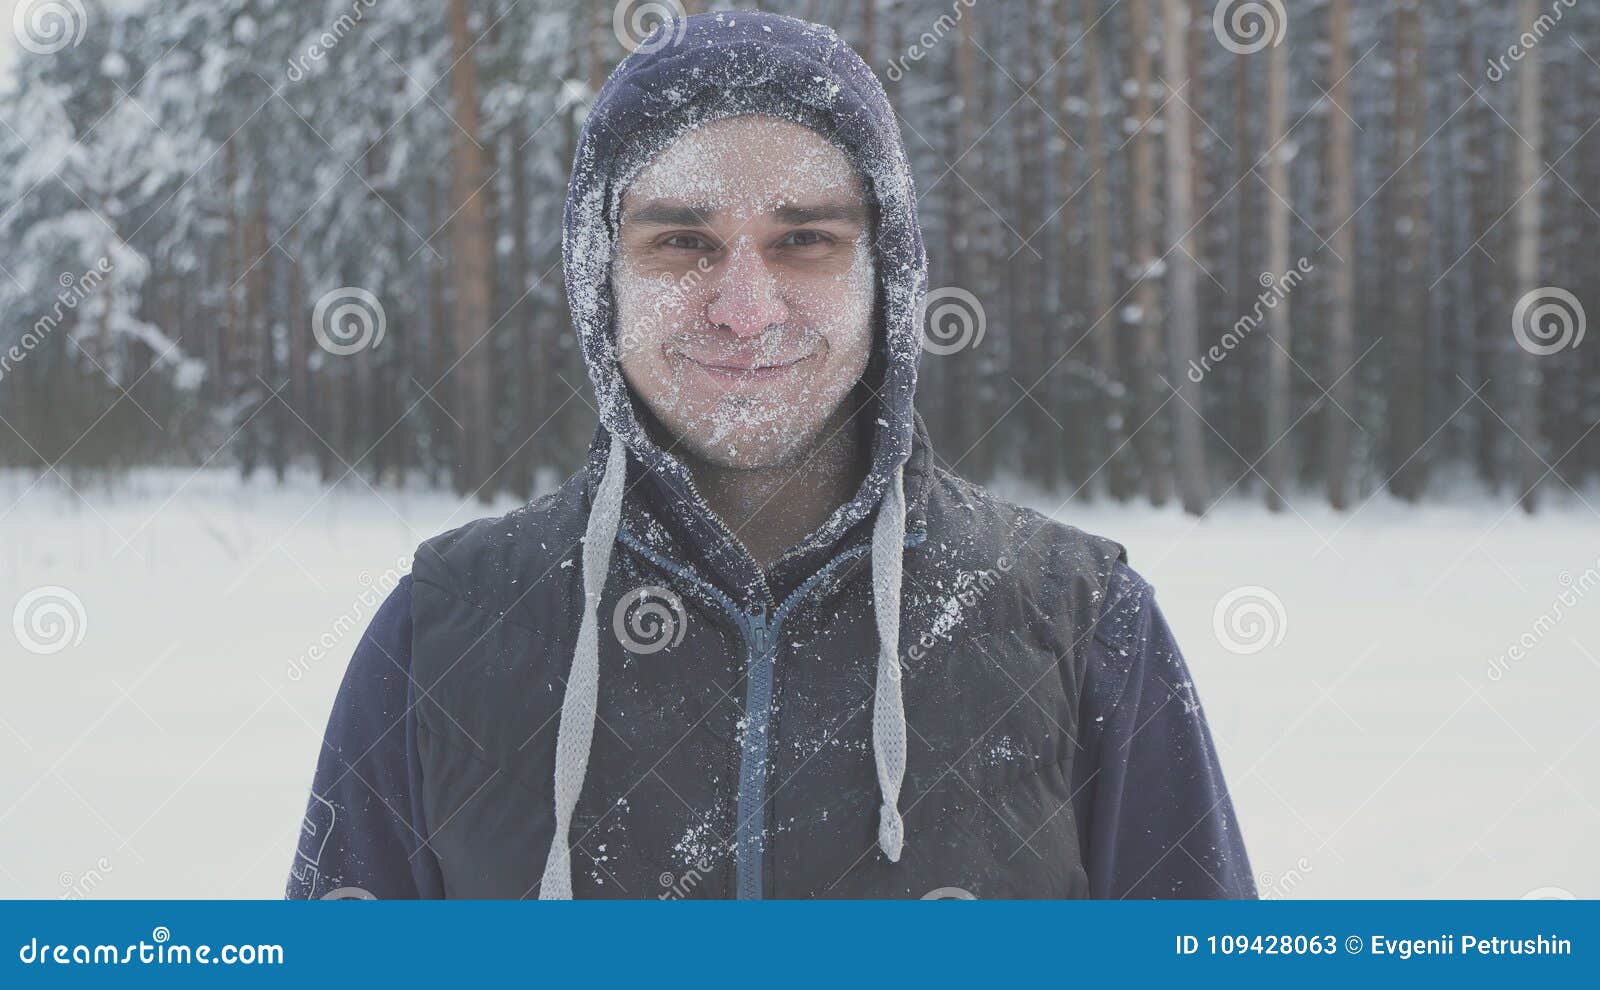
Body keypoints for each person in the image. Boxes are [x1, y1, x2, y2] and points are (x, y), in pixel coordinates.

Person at [287, 10, 1253, 900]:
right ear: (602, 281)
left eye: (803, 240)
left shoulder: (1080, 622)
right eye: (681, 241)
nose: (744, 308)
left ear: (887, 274)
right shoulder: (442, 630)